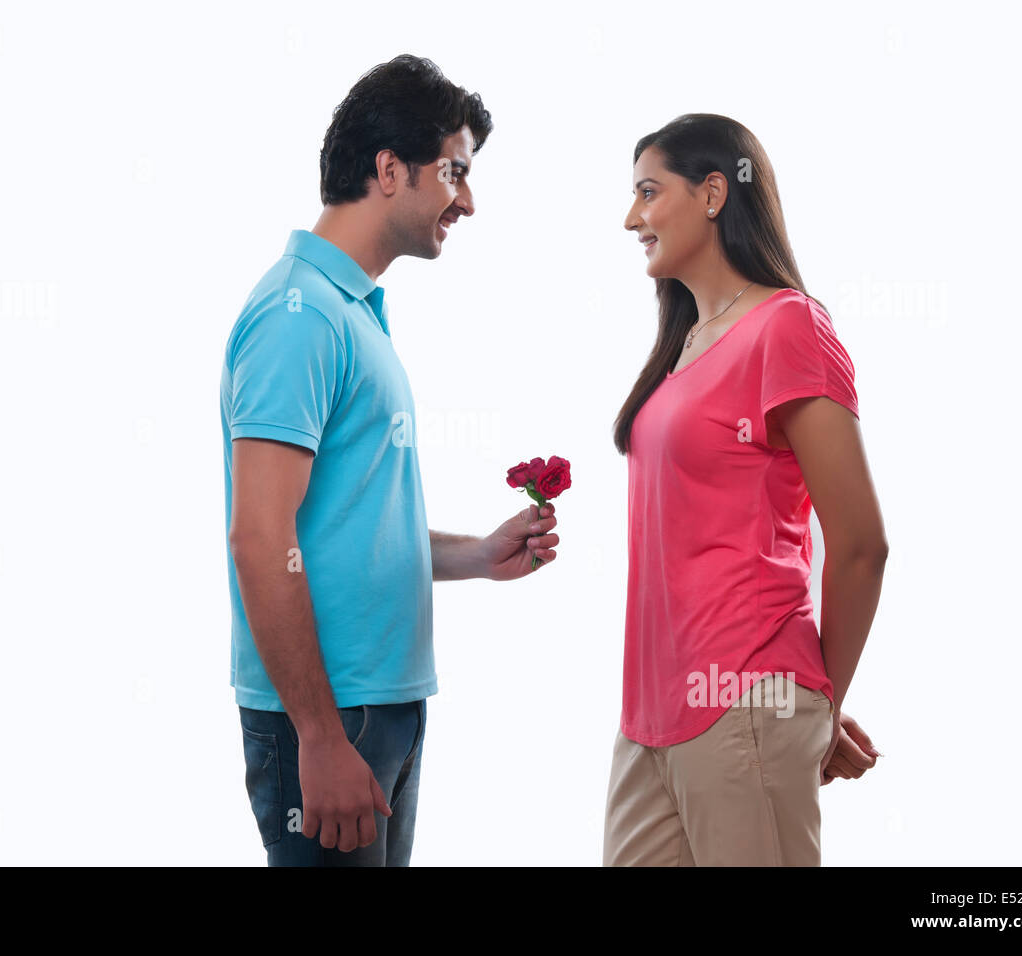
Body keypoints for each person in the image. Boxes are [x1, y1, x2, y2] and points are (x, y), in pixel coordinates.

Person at [222, 54, 559, 867]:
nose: (468, 201)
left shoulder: (355, 313)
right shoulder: (298, 315)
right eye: (455, 172)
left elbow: (345, 525)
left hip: (379, 709)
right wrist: (318, 734)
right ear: (387, 169)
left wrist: (477, 555)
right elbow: (260, 537)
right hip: (336, 716)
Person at [604, 114, 887, 866]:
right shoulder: (685, 344)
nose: (631, 217)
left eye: (647, 192)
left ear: (713, 193)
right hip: (649, 717)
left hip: (744, 701)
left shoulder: (787, 326)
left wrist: (818, 704)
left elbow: (861, 544)